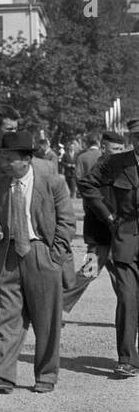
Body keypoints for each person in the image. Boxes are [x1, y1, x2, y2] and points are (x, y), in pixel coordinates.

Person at [0, 131, 73, 394]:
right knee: (7, 318)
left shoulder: (52, 181)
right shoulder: (0, 183)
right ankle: (0, 375)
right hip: (9, 255)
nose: (4, 164)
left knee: (46, 321)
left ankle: (46, 375)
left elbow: (67, 222)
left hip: (41, 253)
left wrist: (55, 256)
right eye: (3, 158)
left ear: (26, 159)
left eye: (9, 159)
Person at [78, 119, 139, 380]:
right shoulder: (116, 162)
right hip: (126, 239)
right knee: (127, 298)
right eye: (137, 137)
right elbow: (87, 185)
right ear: (132, 139)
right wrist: (108, 216)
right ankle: (127, 359)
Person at [65, 131, 122, 313]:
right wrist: (110, 217)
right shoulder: (103, 166)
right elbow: (92, 194)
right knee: (89, 272)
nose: (119, 152)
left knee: (122, 278)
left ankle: (130, 315)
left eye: (121, 148)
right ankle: (54, 305)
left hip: (112, 233)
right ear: (104, 148)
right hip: (100, 235)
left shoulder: (115, 165)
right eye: (115, 148)